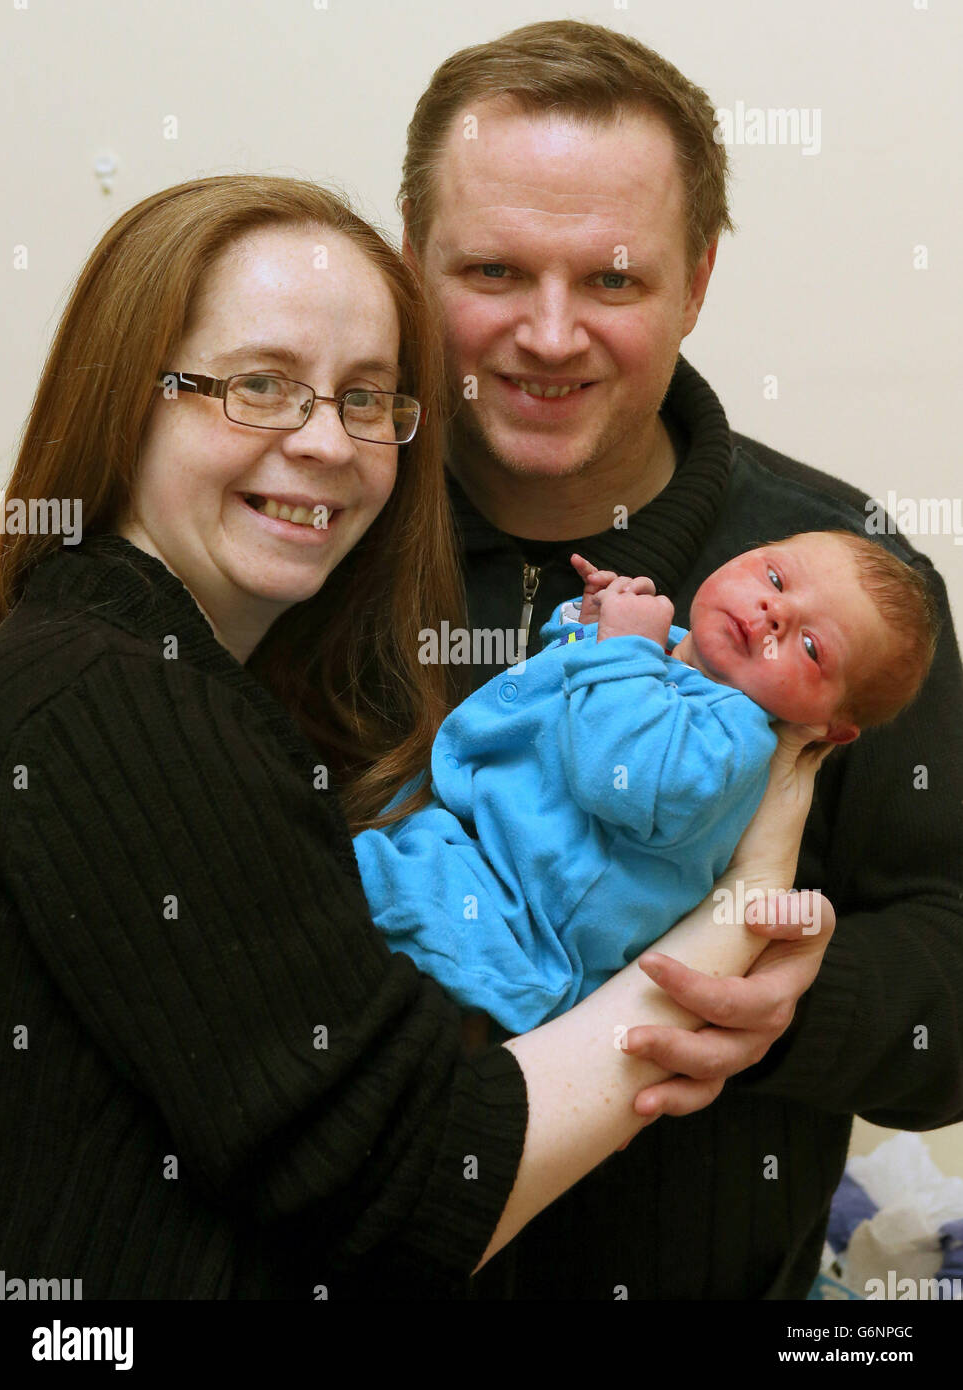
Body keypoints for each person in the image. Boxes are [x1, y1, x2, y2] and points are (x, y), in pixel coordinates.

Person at [0, 173, 830, 1300]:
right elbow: (417, 1180)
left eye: (367, 398)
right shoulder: (112, 702)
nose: (328, 443)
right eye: (260, 386)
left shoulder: (203, 678)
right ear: (123, 400)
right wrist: (748, 895)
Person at [397, 20, 963, 1298]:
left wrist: (781, 1002)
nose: (549, 335)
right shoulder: (308, 532)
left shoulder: (846, 584)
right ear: (413, 268)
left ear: (697, 281)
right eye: (492, 269)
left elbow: (951, 961)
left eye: (612, 280)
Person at [353, 530, 938, 1033]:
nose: (774, 613)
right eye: (776, 578)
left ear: (829, 728)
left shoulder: (731, 744)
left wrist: (623, 647)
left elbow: (614, 774)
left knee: (335, 895)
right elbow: (566, 698)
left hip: (517, 930)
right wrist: (586, 626)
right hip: (467, 840)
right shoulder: (662, 651)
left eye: (811, 647)